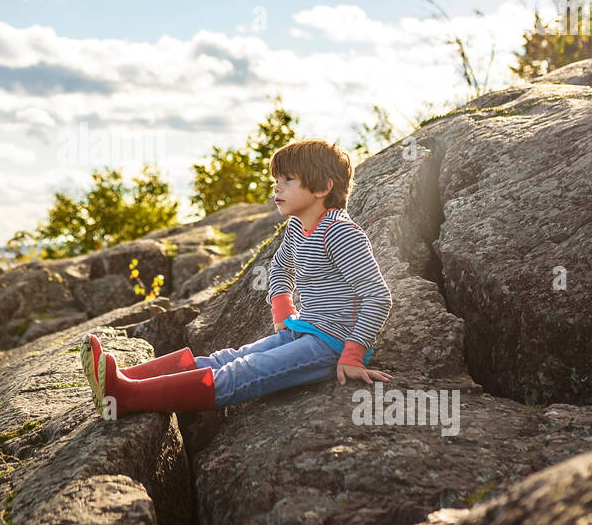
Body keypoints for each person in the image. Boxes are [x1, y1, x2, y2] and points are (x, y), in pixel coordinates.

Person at [79, 138, 394, 415]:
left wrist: (352, 354)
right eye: (276, 179)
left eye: (288, 179)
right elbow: (281, 268)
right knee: (224, 358)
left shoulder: (340, 231)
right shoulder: (298, 227)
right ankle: (129, 377)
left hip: (333, 345)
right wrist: (283, 313)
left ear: (324, 187)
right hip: (303, 330)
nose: (277, 187)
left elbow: (378, 296)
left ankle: (126, 397)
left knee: (244, 371)